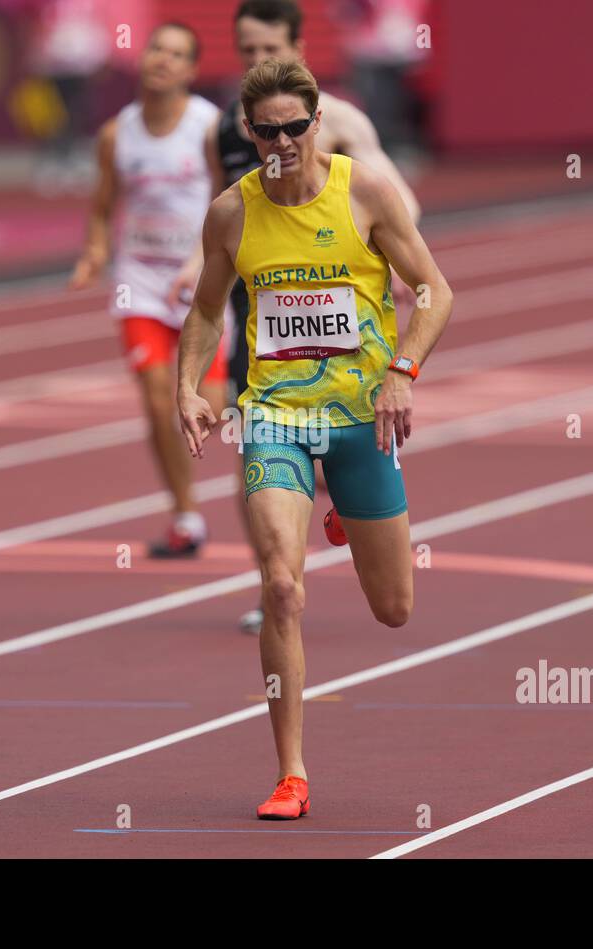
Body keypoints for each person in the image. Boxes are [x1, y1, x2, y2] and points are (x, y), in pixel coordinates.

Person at [175, 59, 452, 819]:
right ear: (248, 131)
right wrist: (187, 388)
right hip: (275, 417)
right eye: (267, 131)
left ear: (317, 121)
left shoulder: (362, 189)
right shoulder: (232, 212)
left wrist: (402, 371)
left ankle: (349, 517)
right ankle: (291, 771)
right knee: (281, 587)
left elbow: (434, 288)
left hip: (362, 417)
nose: (283, 142)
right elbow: (204, 310)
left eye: (296, 127)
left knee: (393, 606)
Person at [168, 0, 422, 633]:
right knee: (253, 453)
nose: (259, 60)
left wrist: (362, 252)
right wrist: (188, 264)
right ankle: (276, 581)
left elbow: (401, 204)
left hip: (346, 347)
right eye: (248, 51)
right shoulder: (226, 131)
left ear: (298, 46)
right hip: (256, 323)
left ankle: (344, 503)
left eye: (270, 49)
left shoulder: (342, 127)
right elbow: (216, 215)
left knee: (393, 606)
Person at [70, 23, 229, 557]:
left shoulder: (209, 127)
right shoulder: (118, 134)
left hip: (200, 283)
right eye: (157, 48)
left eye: (177, 54)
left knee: (209, 407)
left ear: (190, 69)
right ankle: (185, 515)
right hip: (138, 282)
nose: (163, 59)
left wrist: (201, 258)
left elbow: (230, 202)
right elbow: (100, 208)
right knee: (159, 400)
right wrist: (94, 252)